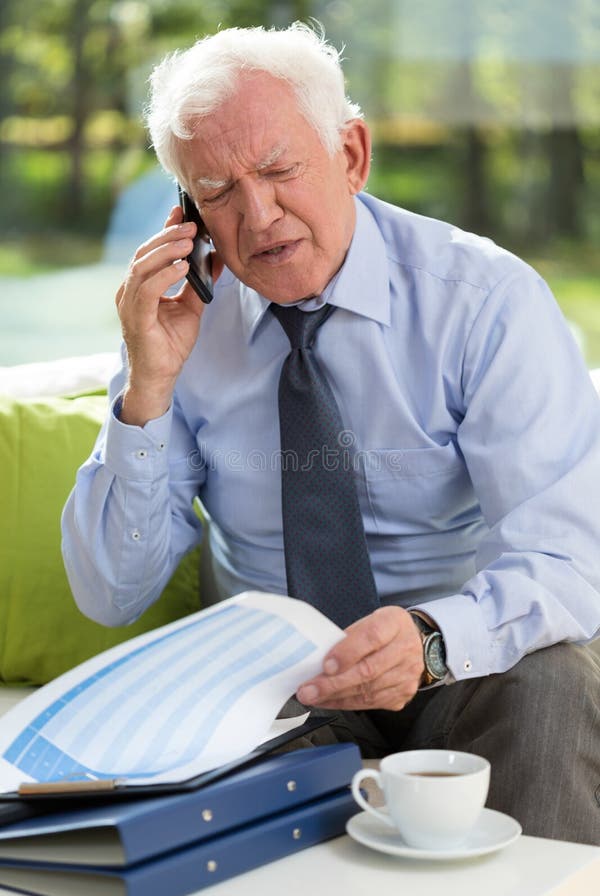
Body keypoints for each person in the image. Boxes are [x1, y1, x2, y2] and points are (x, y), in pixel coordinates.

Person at [62, 23, 600, 844]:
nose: (259, 215)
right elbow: (111, 592)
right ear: (188, 212)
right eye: (218, 191)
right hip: (280, 681)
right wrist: (149, 388)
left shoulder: (485, 302)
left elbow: (570, 560)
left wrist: (431, 640)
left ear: (351, 154)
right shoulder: (179, 328)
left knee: (556, 684)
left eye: (279, 170)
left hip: (464, 654)